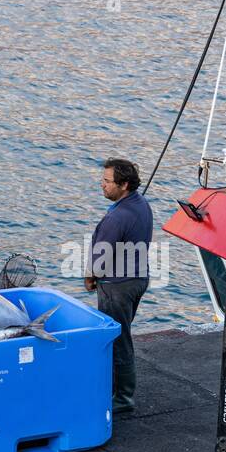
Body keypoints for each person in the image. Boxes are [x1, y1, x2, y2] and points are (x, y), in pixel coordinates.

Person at [85, 158, 153, 415]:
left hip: (118, 286)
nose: (101, 185)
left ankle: (123, 397)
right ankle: (116, 388)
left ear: (124, 184)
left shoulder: (118, 217)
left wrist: (90, 278)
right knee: (120, 335)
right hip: (138, 279)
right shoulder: (142, 204)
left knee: (118, 340)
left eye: (107, 181)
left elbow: (100, 256)